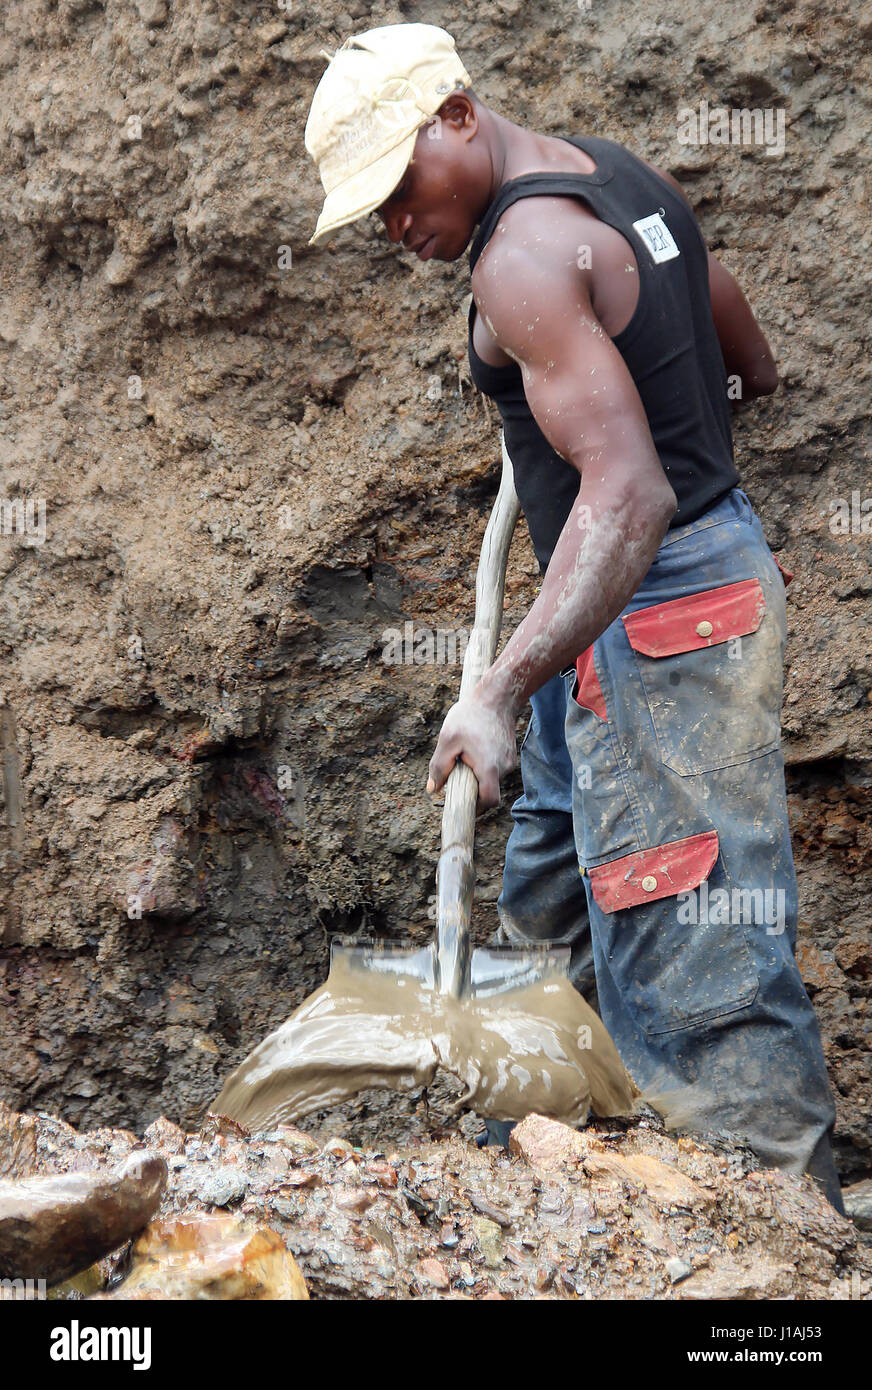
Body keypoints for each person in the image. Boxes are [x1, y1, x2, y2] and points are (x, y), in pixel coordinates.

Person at [304, 23, 844, 1211]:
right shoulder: (613, 176)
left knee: (694, 939)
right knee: (553, 888)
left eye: (398, 183)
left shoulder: (517, 260)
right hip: (621, 605)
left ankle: (769, 1237)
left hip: (656, 618)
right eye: (373, 208)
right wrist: (673, 404)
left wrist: (494, 687)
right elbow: (735, 332)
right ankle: (571, 1180)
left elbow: (632, 491)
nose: (394, 223)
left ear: (455, 114)